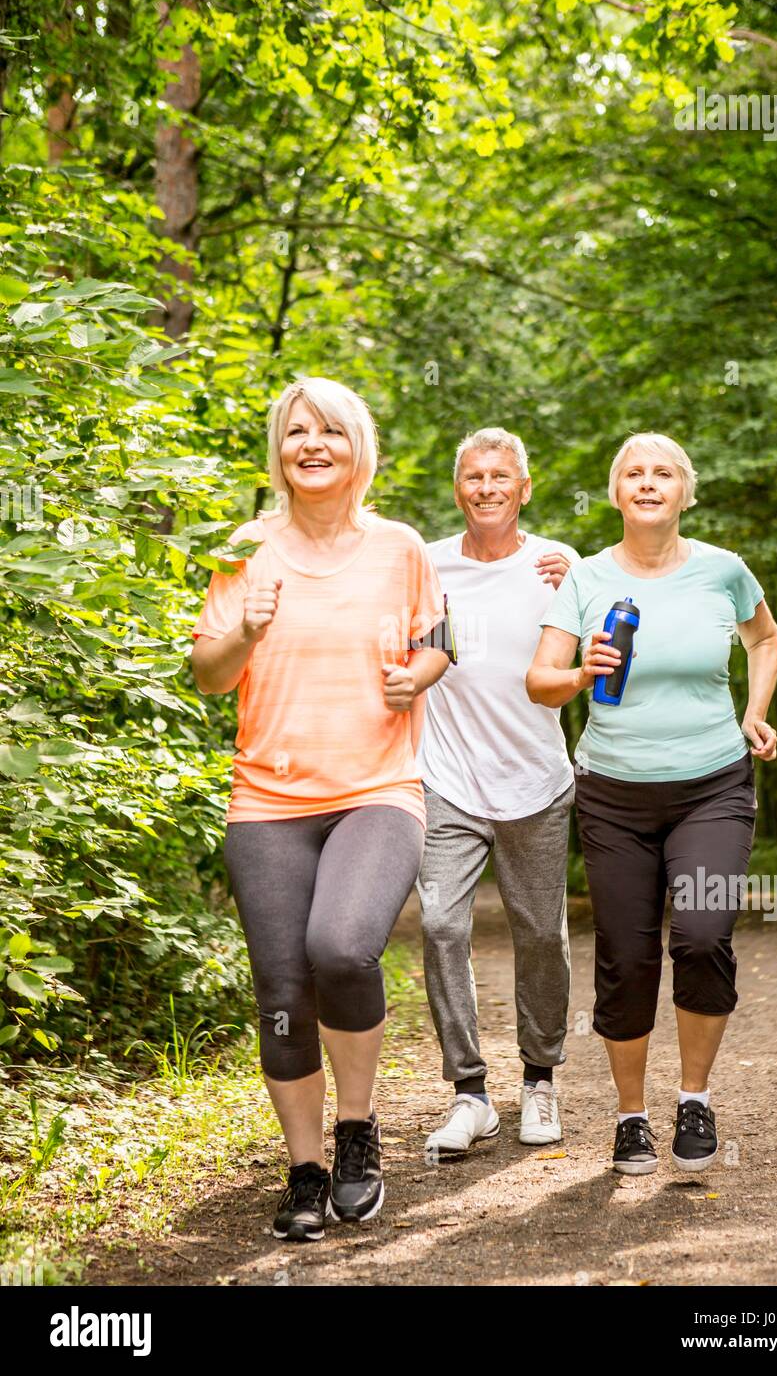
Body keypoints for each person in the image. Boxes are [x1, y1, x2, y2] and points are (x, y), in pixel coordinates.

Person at [190, 376, 453, 1240]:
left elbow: (439, 639)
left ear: (357, 447)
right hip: (266, 801)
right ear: (280, 448)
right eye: (297, 430)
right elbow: (210, 673)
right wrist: (246, 631)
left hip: (377, 789)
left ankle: (357, 1131)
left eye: (331, 431)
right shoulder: (244, 548)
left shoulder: (401, 547)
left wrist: (419, 673)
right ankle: (304, 1170)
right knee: (281, 988)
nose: (313, 444)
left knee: (341, 947)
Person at [526, 432, 777, 1175]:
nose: (647, 482)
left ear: (685, 492)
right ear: (616, 494)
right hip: (613, 796)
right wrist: (580, 673)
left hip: (713, 785)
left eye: (662, 472)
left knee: (702, 938)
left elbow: (764, 640)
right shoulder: (586, 578)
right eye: (632, 473)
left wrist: (755, 711)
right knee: (627, 959)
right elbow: (538, 680)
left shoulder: (723, 572)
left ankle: (694, 1099)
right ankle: (631, 1117)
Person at [415, 427, 578, 1158]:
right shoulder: (426, 564)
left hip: (536, 780)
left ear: (524, 488)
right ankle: (470, 1093)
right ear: (459, 488)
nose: (486, 488)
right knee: (441, 925)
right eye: (473, 476)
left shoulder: (558, 565)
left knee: (541, 934)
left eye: (500, 477)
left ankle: (540, 1079)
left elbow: (591, 657)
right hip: (447, 777)